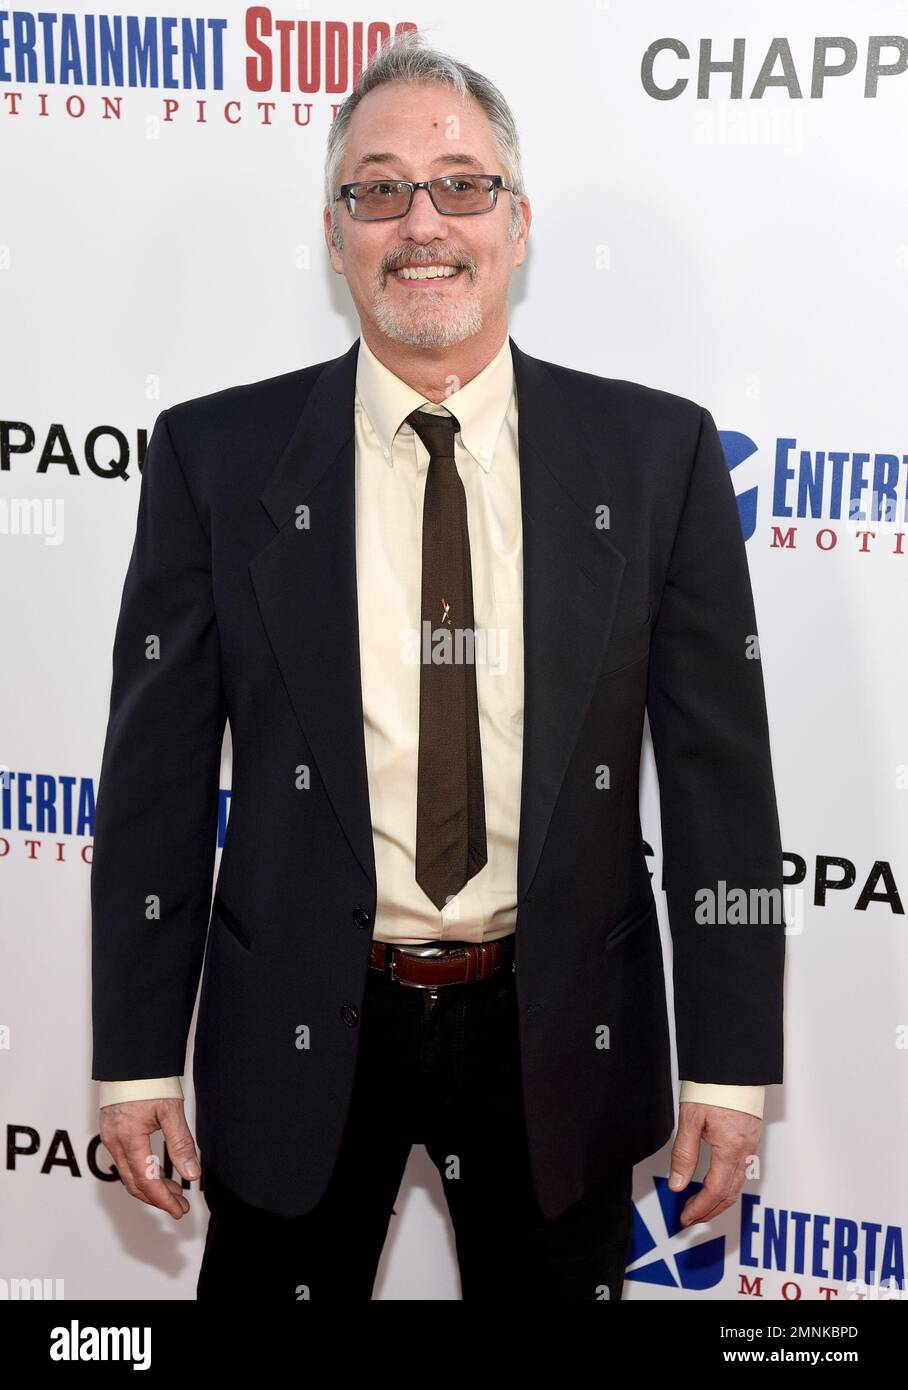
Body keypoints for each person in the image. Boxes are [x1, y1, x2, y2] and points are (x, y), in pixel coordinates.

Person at [91, 31, 785, 1301]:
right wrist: (136, 1061)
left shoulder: (655, 457)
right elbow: (153, 791)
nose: (422, 221)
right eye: (379, 188)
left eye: (461, 184)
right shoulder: (216, 458)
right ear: (333, 229)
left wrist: (728, 1071)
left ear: (516, 224)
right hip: (295, 1029)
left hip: (556, 1034)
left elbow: (718, 794)